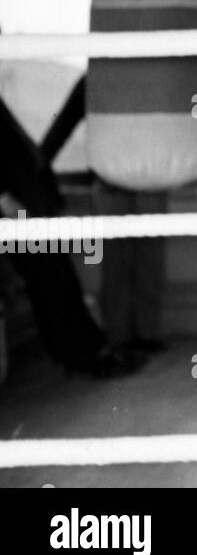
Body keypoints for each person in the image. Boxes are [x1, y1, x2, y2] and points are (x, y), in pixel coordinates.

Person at [0, 73, 144, 379]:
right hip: (16, 209)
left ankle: (84, 353)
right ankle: (88, 354)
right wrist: (3, 199)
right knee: (51, 278)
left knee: (55, 276)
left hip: (27, 202)